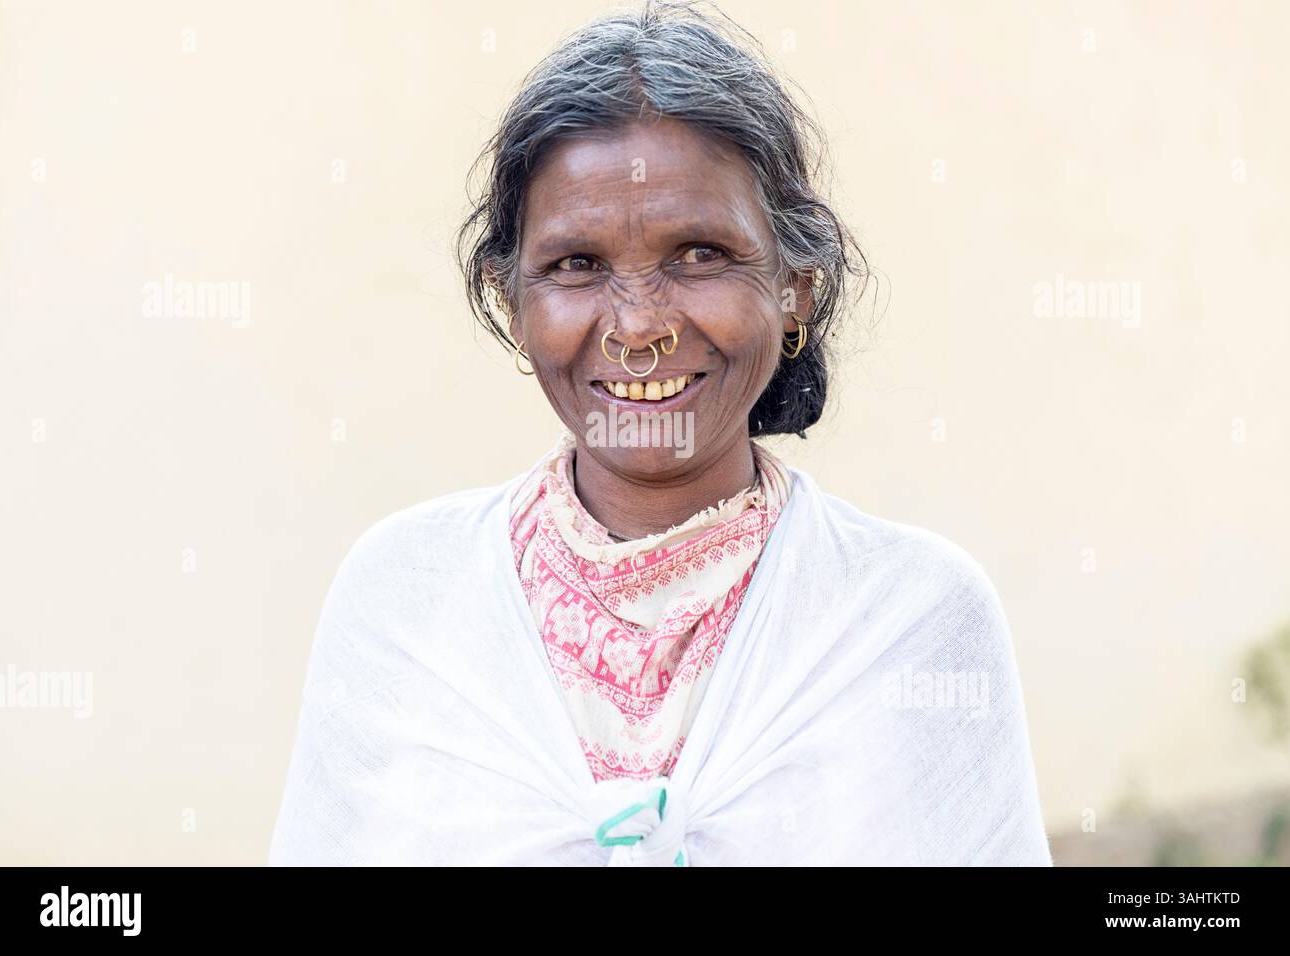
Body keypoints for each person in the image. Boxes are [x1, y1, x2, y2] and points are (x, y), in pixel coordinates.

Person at [268, 0, 1053, 866]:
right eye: (577, 265)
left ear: (796, 286)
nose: (637, 327)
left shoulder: (907, 618)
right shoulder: (406, 601)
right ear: (511, 300)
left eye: (700, 254)